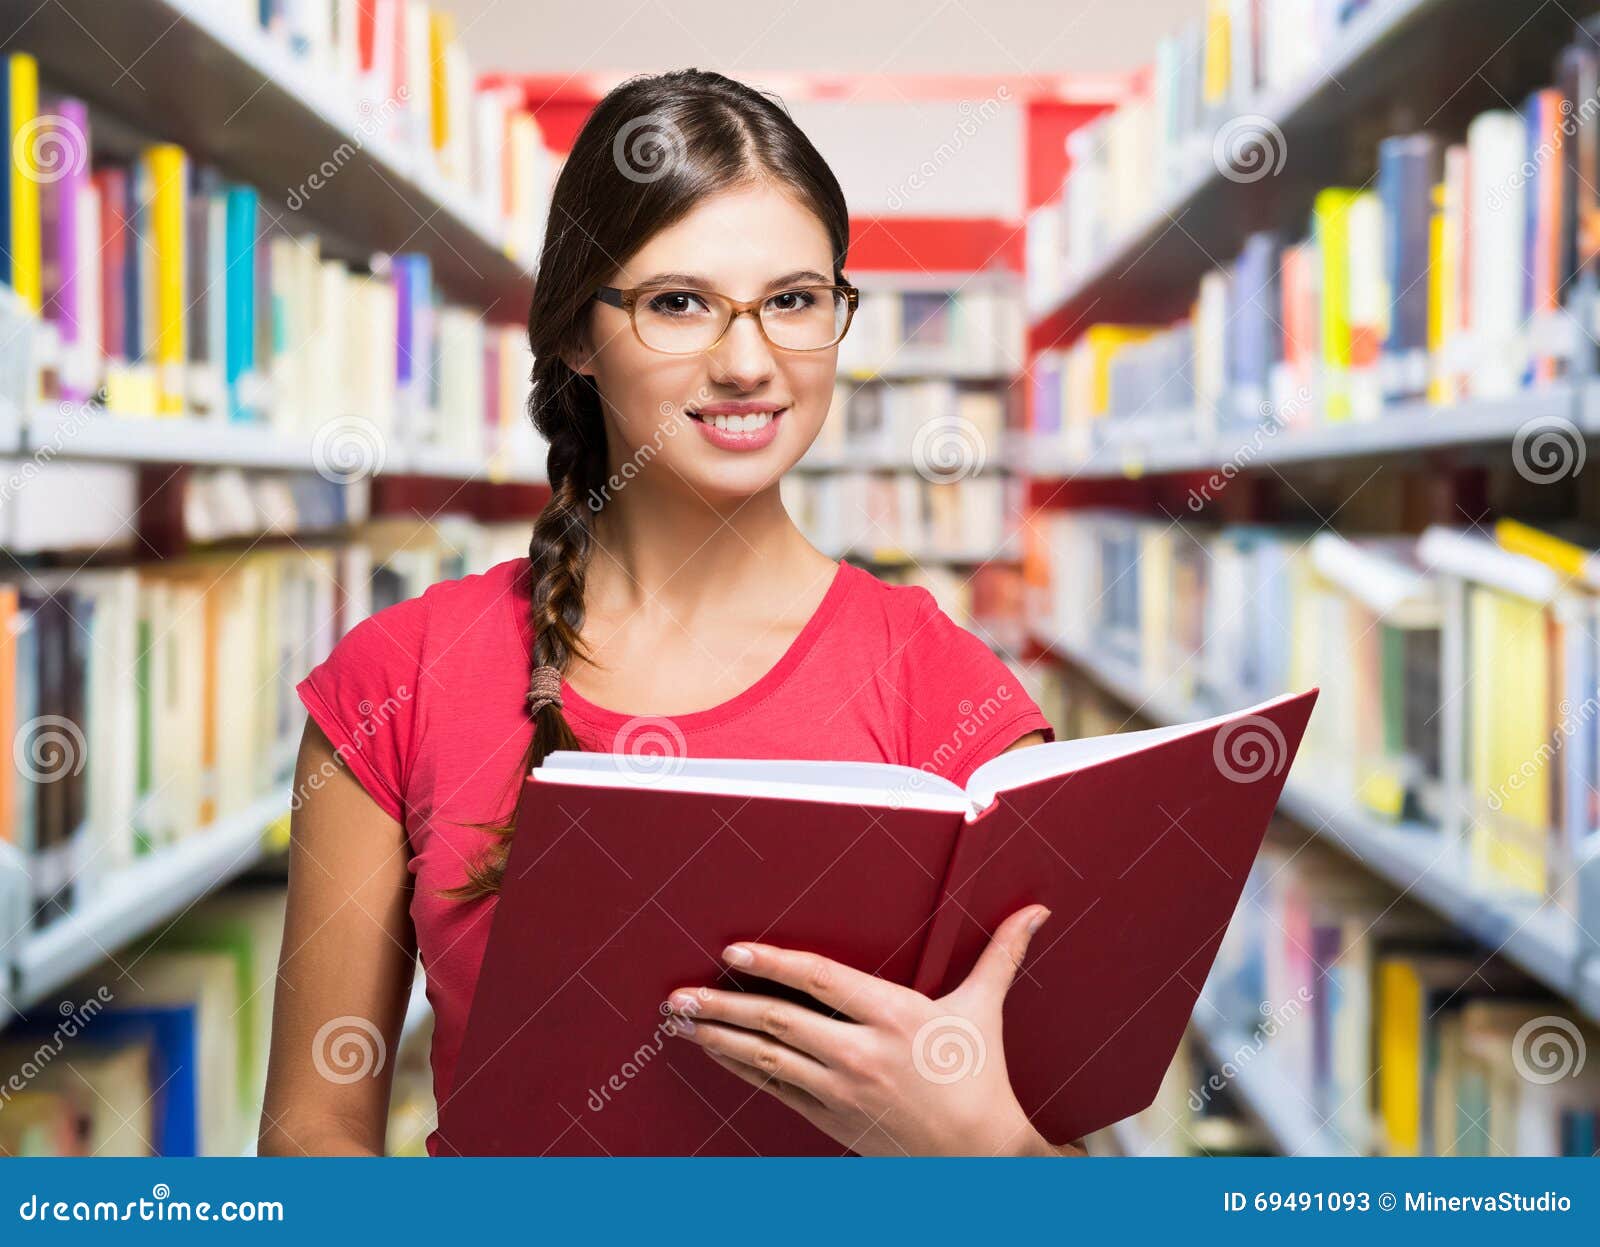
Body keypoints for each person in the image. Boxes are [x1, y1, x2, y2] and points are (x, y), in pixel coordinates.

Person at [259, 67, 1080, 1158]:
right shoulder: (396, 679)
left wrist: (988, 1150)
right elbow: (315, 1136)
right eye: (678, 302)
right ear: (574, 336)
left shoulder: (956, 701)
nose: (748, 363)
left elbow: (1061, 1167)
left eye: (792, 300)